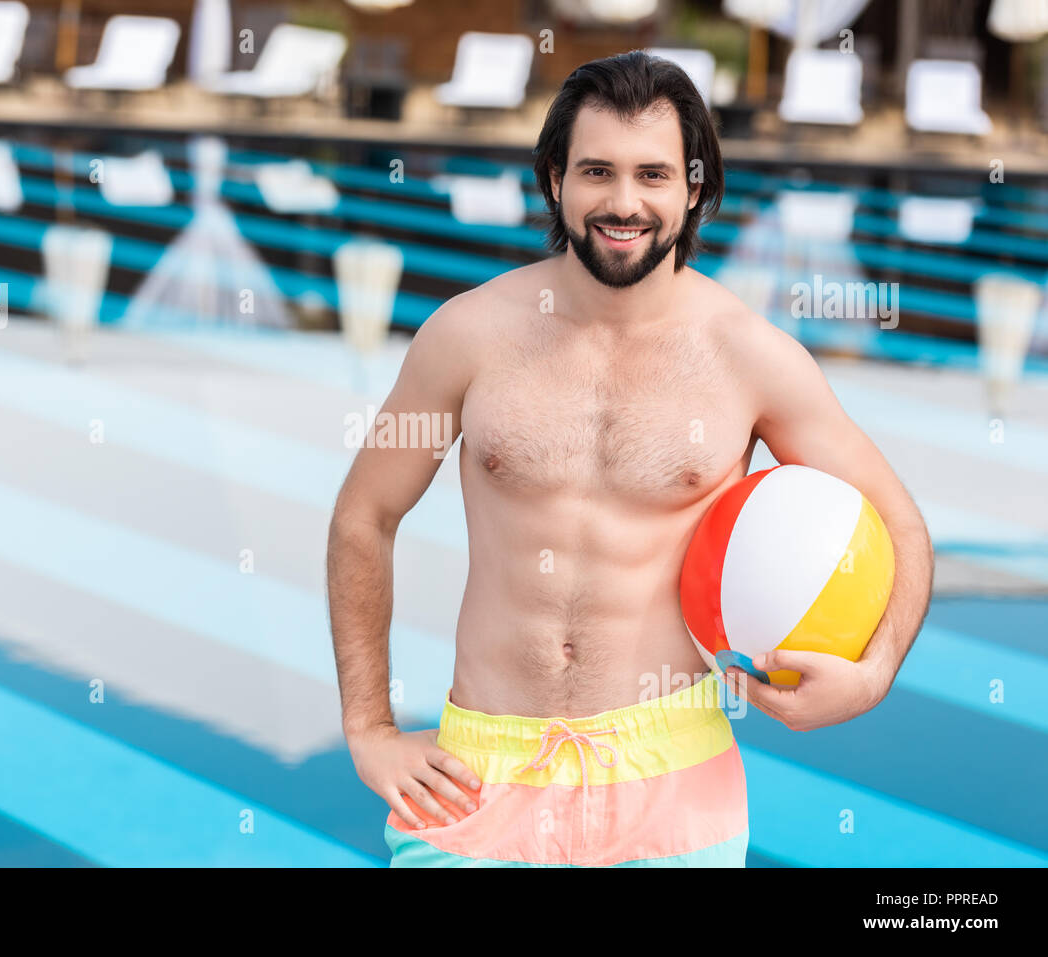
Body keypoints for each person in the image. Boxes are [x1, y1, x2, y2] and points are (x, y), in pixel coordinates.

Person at [326, 51, 933, 867]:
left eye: (653, 174)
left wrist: (875, 672)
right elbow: (366, 515)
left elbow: (899, 522)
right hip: (479, 777)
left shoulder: (751, 357)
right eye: (596, 171)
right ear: (554, 180)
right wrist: (367, 728)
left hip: (673, 777)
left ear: (694, 188)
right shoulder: (468, 336)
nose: (623, 202)